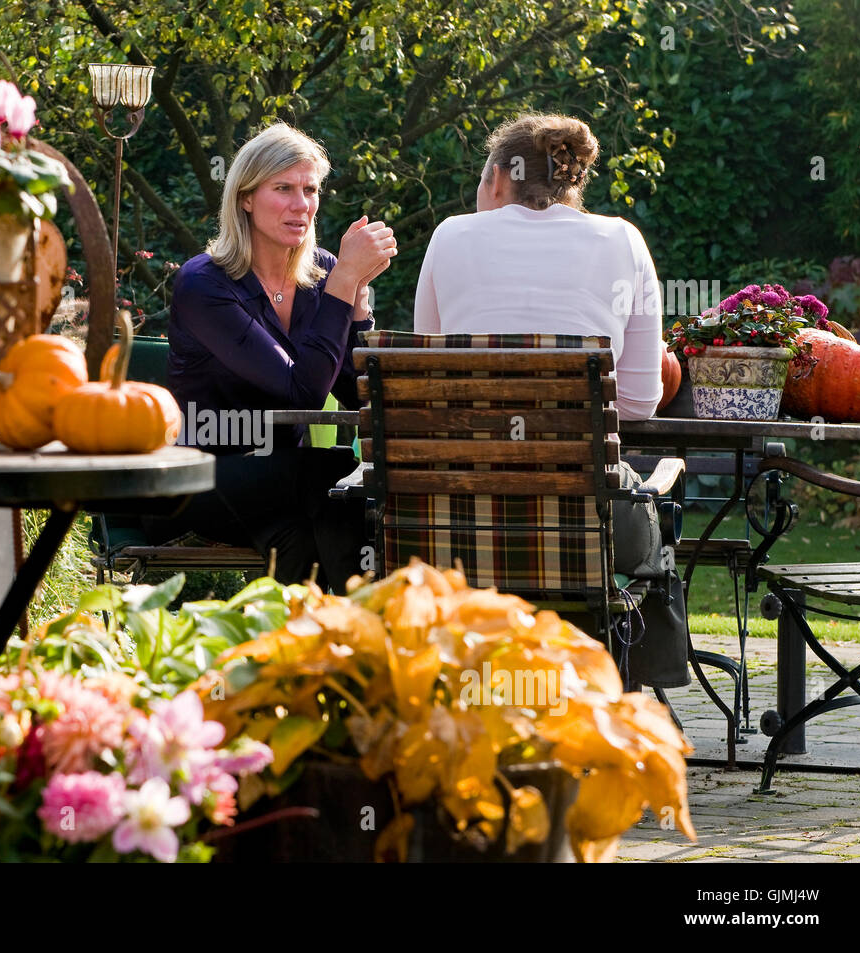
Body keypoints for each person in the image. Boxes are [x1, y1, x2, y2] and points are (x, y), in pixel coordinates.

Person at [412, 113, 687, 689]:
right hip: (587, 527)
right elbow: (637, 403)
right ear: (574, 177)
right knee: (650, 506)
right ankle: (615, 684)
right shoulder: (623, 241)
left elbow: (430, 380)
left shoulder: (450, 236)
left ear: (495, 178)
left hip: (458, 523)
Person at [141, 122, 398, 592]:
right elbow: (299, 389)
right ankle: (369, 632)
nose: (301, 204)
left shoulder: (322, 273)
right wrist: (343, 288)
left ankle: (322, 649)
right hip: (200, 474)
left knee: (308, 536)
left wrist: (358, 312)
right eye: (283, 188)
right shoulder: (205, 285)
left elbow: (352, 392)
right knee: (338, 471)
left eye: (310, 189)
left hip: (284, 487)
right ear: (245, 197)